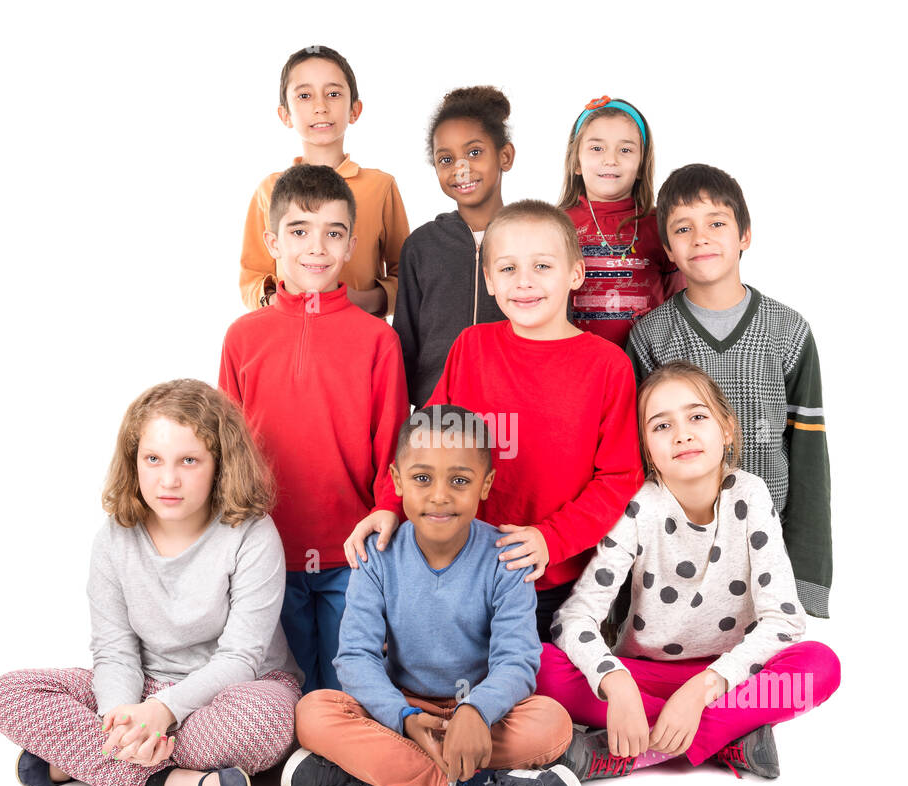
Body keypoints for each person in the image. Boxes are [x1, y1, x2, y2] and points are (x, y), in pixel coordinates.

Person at [0, 380, 302, 786]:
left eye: (189, 461)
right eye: (153, 459)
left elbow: (242, 657)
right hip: (144, 687)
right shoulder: (114, 538)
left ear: (219, 465)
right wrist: (122, 716)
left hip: (240, 690)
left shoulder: (252, 533)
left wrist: (162, 712)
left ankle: (78, 763)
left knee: (258, 726)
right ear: (134, 461)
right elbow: (115, 653)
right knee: (10, 693)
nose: (168, 480)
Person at [345, 200, 642, 643]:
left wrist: (551, 539)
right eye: (507, 269)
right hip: (462, 568)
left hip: (552, 579)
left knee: (536, 697)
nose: (524, 282)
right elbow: (424, 441)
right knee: (452, 689)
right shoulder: (471, 348)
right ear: (488, 279)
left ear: (575, 274)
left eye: (542, 265)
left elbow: (619, 477)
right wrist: (389, 504)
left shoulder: (607, 366)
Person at [538, 362, 840, 781]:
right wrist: (617, 685)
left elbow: (784, 621)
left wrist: (703, 691)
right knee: (538, 664)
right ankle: (730, 737)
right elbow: (574, 618)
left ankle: (629, 752)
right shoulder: (638, 507)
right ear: (646, 447)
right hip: (646, 677)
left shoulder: (751, 496)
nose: (682, 433)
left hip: (730, 677)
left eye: (697, 417)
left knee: (820, 664)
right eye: (661, 426)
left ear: (727, 429)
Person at [285, 406, 583, 786]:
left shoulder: (506, 557)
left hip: (482, 713)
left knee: (551, 724)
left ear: (486, 484)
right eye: (422, 478)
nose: (439, 495)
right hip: (403, 708)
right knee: (313, 711)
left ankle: (374, 773)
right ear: (397, 480)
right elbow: (355, 657)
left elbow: (516, 661)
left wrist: (475, 711)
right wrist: (404, 719)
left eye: (459, 480)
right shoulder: (378, 556)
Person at [220, 163, 409, 692]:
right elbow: (225, 449)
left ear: (351, 246)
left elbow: (393, 442)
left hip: (352, 552)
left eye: (334, 233)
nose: (317, 247)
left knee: (349, 689)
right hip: (264, 553)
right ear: (273, 241)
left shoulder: (378, 341)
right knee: (281, 690)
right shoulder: (242, 338)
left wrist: (388, 510)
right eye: (300, 231)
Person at [628, 163, 832, 617]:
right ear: (668, 249)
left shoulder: (788, 331)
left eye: (717, 223)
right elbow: (639, 457)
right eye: (684, 228)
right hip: (674, 553)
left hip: (766, 550)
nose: (700, 237)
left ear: (745, 235)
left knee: (767, 672)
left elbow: (810, 459)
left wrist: (808, 579)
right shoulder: (651, 336)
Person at [238, 45, 409, 318]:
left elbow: (408, 278)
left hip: (357, 340)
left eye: (333, 94)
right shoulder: (269, 191)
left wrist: (357, 301)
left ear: (354, 110)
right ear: (285, 114)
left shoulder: (381, 187)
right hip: (288, 339)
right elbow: (253, 277)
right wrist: (281, 304)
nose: (320, 107)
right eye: (304, 95)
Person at [393, 86, 514, 407]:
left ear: (505, 156)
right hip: (437, 418)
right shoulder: (420, 247)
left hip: (516, 412)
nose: (461, 168)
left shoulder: (534, 238)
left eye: (474, 152)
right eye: (446, 159)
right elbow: (405, 347)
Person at [557, 96, 683, 348]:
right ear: (576, 162)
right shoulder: (555, 226)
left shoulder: (660, 226)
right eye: (597, 148)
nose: (610, 159)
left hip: (647, 365)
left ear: (640, 165)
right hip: (577, 364)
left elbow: (680, 304)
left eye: (625, 150)